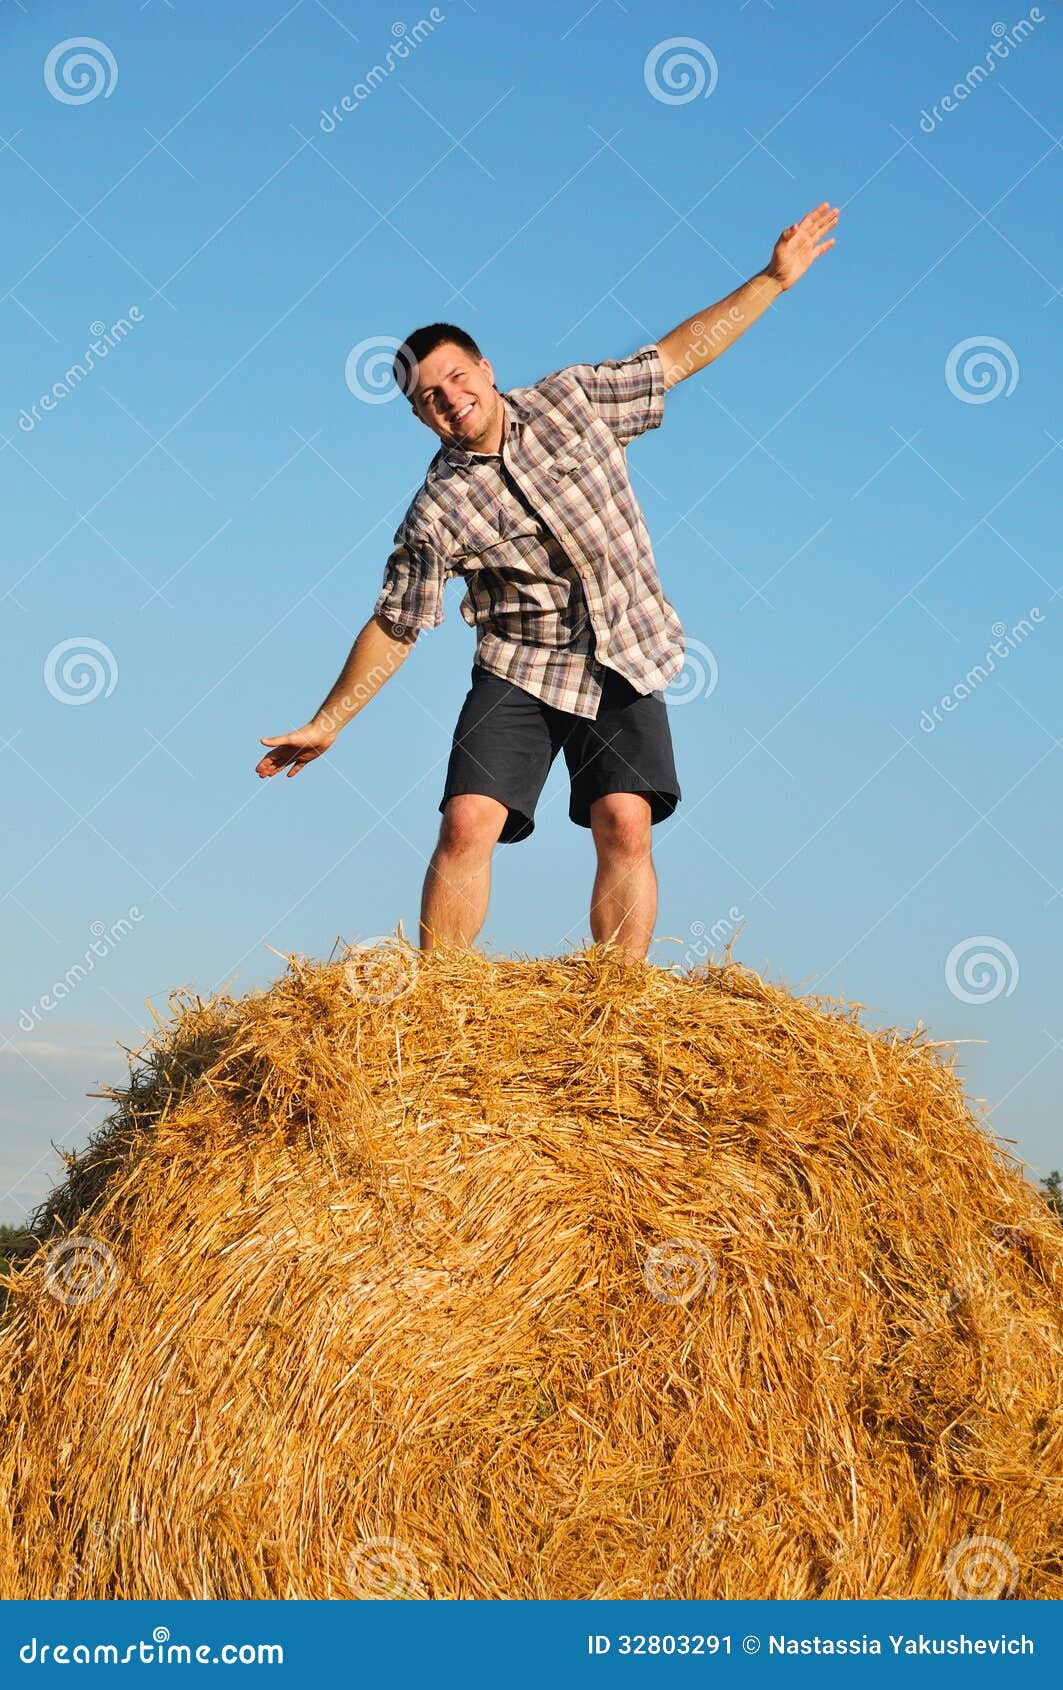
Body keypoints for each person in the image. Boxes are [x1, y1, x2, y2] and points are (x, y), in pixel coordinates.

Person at [256, 203, 839, 960]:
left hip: (623, 649)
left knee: (624, 822)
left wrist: (772, 280)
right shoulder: (438, 507)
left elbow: (677, 356)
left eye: (456, 377)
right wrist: (329, 721)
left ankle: (617, 1007)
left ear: (485, 369)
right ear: (417, 415)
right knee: (467, 822)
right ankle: (439, 999)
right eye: (427, 396)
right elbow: (396, 624)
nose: (449, 398)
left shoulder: (574, 400)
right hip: (519, 668)